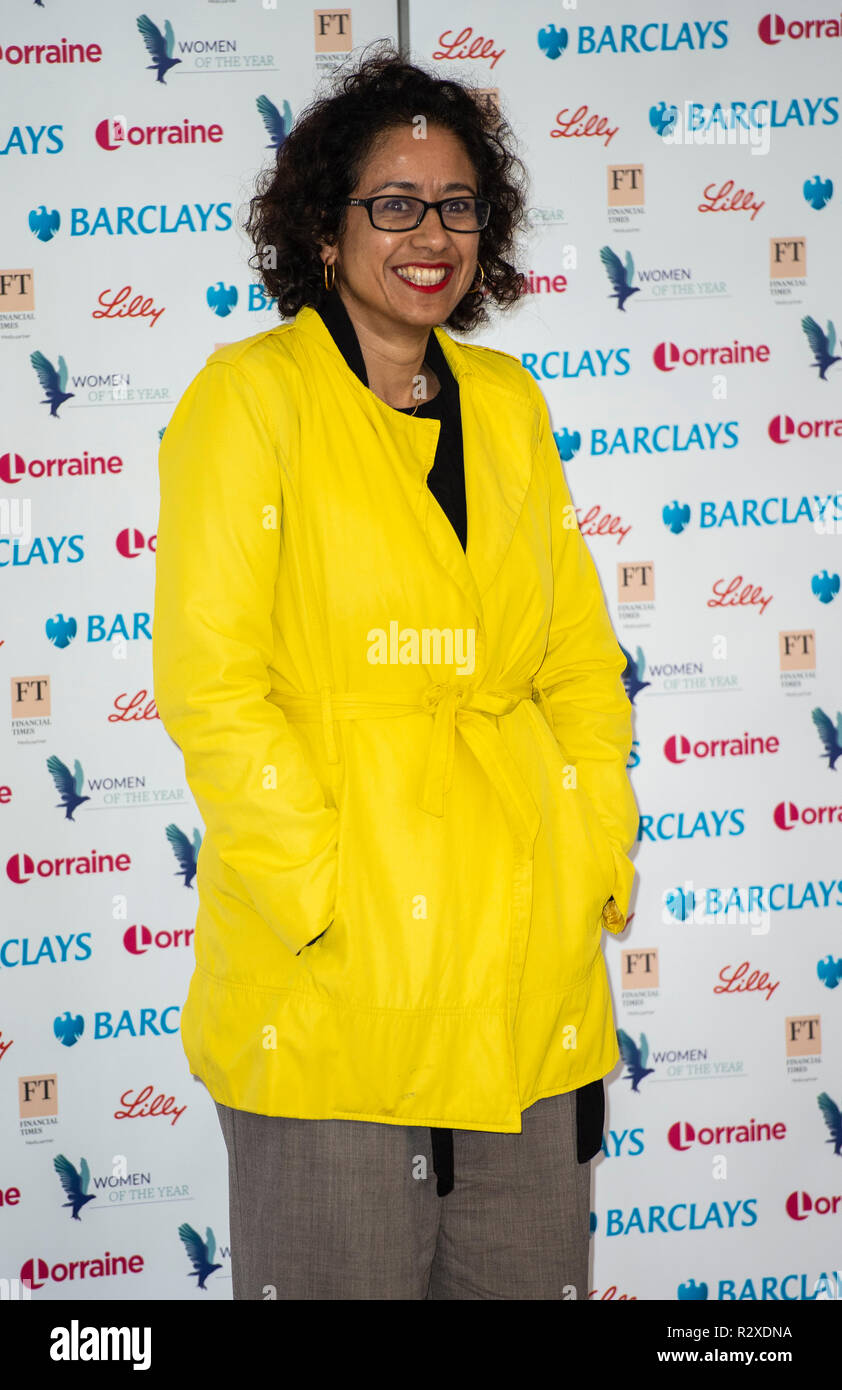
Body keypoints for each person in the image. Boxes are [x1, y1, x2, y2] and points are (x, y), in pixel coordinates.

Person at [152, 42, 638, 1300]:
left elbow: (579, 664)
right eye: (394, 203)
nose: (431, 233)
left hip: (522, 993)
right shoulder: (249, 400)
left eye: (458, 204)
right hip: (337, 999)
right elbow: (212, 682)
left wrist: (589, 844)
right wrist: (321, 894)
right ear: (325, 226)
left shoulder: (512, 404)